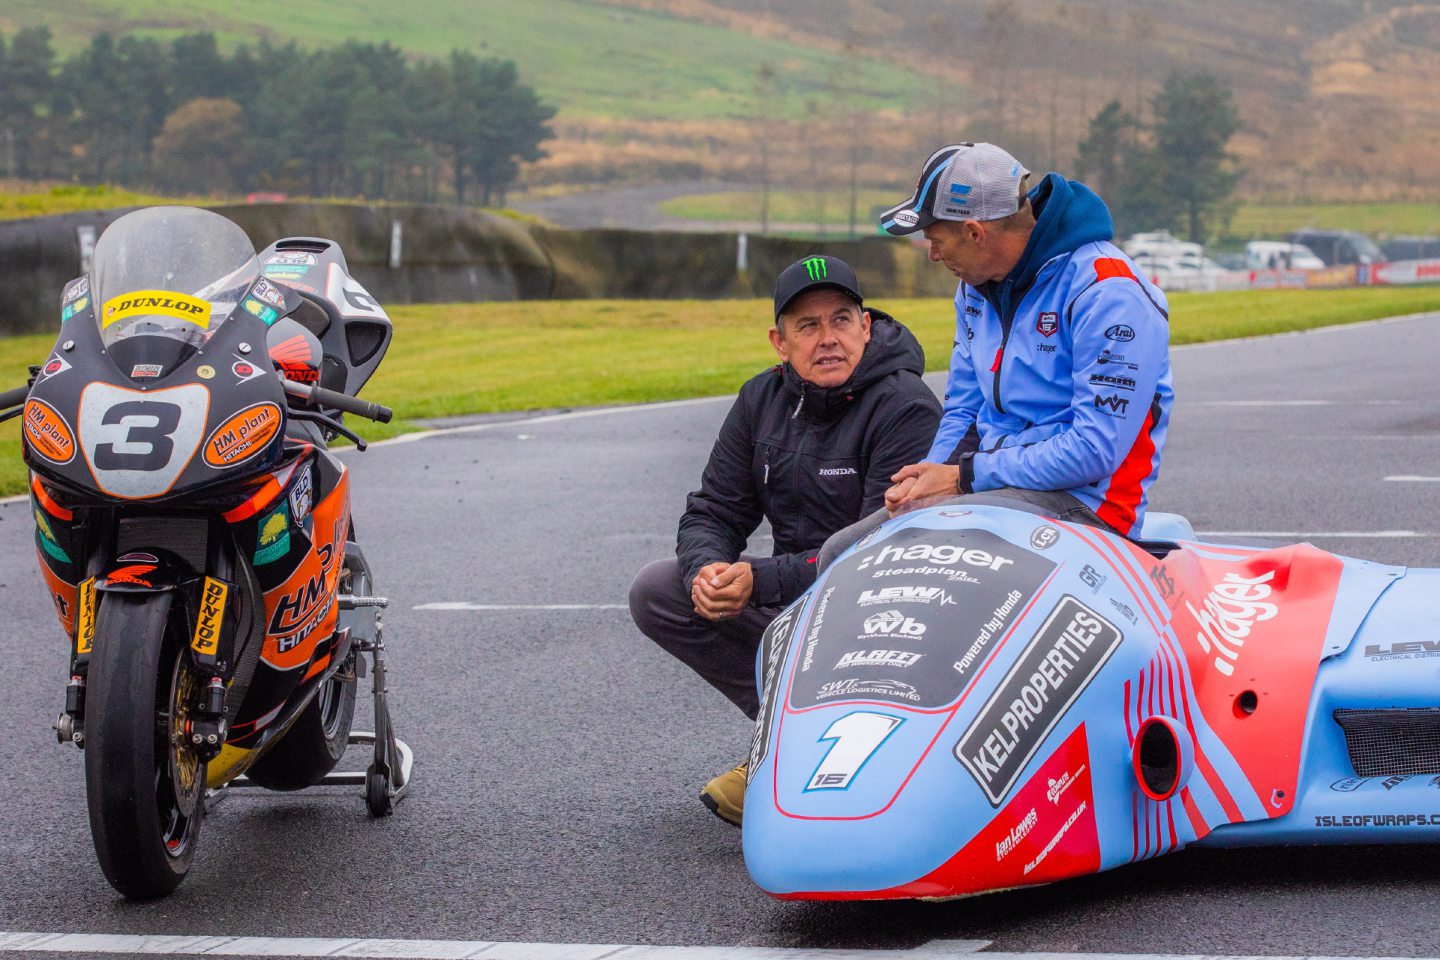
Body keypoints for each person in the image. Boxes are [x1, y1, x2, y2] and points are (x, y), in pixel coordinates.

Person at [629, 254, 941, 826]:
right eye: (808, 325)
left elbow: (879, 549)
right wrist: (709, 571)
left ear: (866, 327)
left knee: (833, 603)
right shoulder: (760, 400)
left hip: (882, 615)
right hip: (796, 601)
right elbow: (713, 510)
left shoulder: (906, 406)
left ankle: (795, 755)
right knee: (659, 589)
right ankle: (789, 742)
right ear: (780, 341)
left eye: (842, 320)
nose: (828, 339)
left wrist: (762, 581)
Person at [819, 142, 1173, 568]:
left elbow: (1094, 450)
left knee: (942, 564)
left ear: (974, 232)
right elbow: (964, 409)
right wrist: (926, 478)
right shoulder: (973, 286)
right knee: (841, 556)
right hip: (990, 488)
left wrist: (963, 478)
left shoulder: (1109, 292)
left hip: (1091, 508)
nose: (932, 254)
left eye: (936, 240)